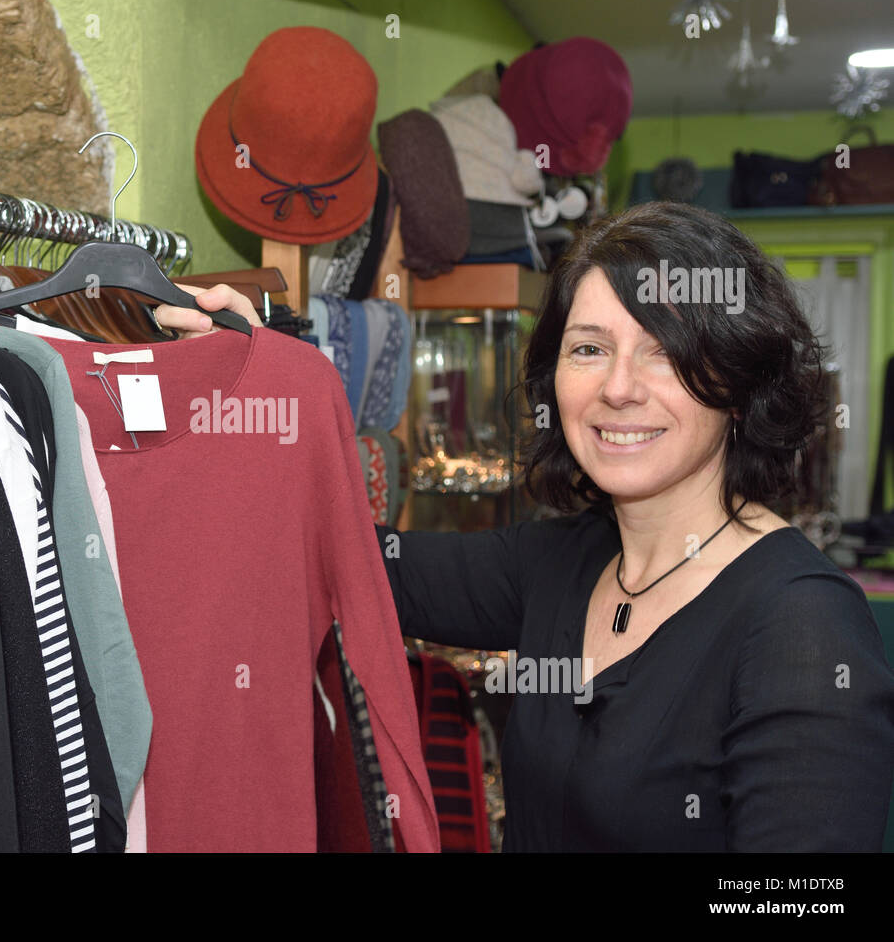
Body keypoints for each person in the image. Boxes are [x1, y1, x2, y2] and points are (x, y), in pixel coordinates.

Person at [159, 201, 894, 851]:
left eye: (664, 351)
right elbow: (356, 558)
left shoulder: (804, 624)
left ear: (736, 382)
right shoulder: (565, 560)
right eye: (589, 348)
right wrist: (262, 377)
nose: (618, 387)